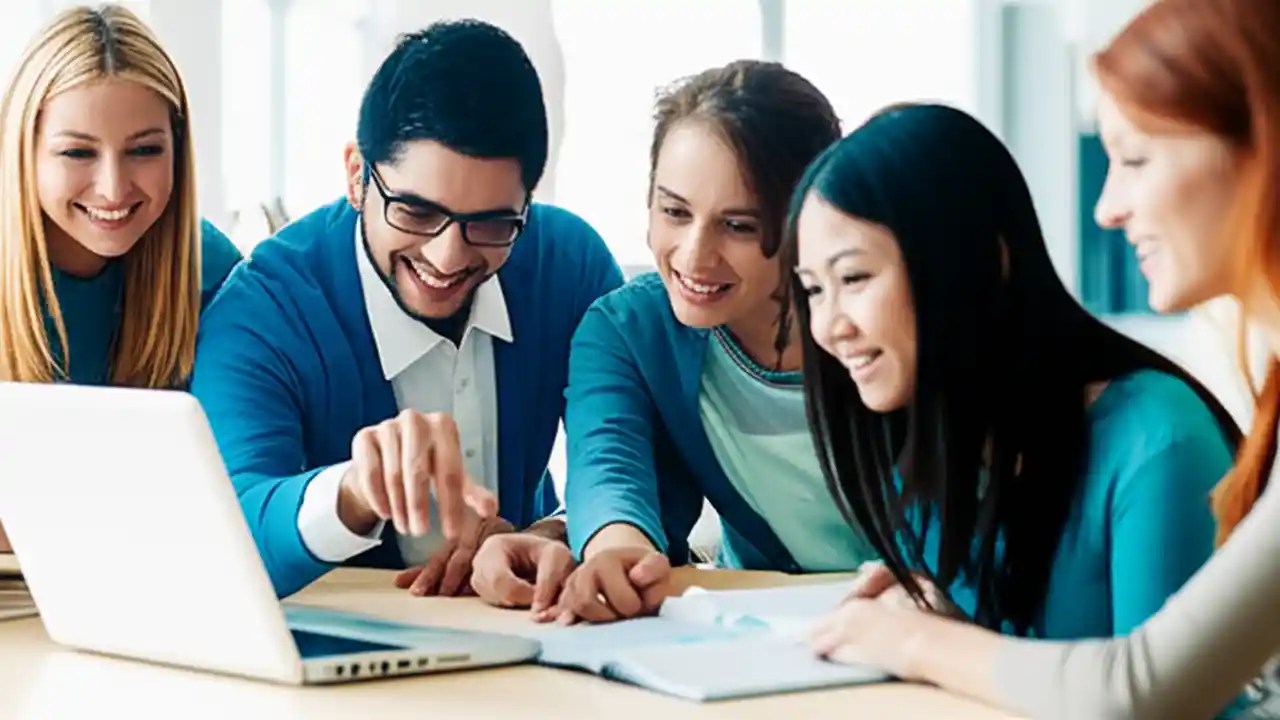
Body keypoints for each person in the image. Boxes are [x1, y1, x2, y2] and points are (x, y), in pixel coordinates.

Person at [808, 2, 1280, 717]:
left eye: (1136, 158)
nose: (1106, 209)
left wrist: (910, 642)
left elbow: (1146, 692)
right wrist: (949, 634)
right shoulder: (927, 448)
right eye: (813, 289)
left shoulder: (1156, 429)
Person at [190, 20, 622, 599]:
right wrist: (355, 491)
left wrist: (557, 536)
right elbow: (226, 534)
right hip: (341, 652)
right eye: (415, 212)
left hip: (531, 634)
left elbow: (639, 462)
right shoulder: (263, 308)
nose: (447, 256)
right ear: (356, 176)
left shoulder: (570, 265)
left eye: (491, 224)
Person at [472, 60, 881, 622]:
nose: (693, 255)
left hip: (925, 618)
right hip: (767, 627)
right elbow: (609, 466)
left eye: (738, 225)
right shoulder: (629, 331)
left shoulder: (876, 321)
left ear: (804, 221)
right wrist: (618, 558)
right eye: (674, 212)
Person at [0, 5, 241, 550]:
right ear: (25, 152)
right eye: (77, 152)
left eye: (144, 150)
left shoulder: (212, 271)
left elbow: (233, 488)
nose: (113, 188)